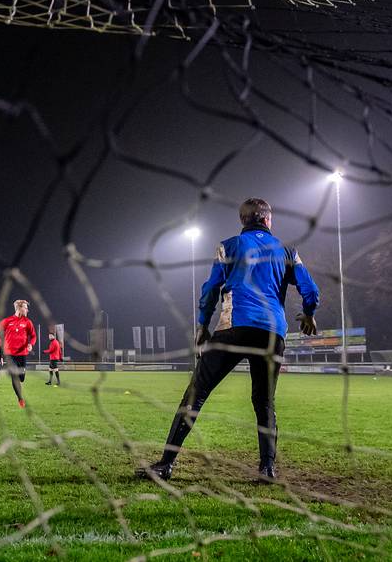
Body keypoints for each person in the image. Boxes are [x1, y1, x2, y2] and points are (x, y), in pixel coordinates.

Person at [137, 198, 319, 482]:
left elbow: (210, 289)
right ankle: (267, 469)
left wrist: (201, 325)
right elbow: (310, 289)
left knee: (196, 394)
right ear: (268, 221)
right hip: (273, 332)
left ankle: (166, 464)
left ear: (243, 221)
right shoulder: (287, 250)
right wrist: (308, 314)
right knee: (264, 402)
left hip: (234, 327)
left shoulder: (229, 246)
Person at [0, 299, 37, 408]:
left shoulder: (27, 322)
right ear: (19, 308)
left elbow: (33, 336)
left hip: (22, 354)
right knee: (14, 375)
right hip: (10, 354)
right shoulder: (7, 321)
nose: (27, 310)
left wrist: (31, 344)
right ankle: (20, 398)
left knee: (21, 378)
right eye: (25, 307)